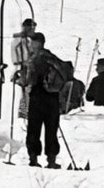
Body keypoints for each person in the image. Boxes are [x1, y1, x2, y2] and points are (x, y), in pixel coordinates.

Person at [24, 33, 64, 169]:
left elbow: (30, 80)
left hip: (37, 98)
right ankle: (51, 160)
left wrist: (20, 80)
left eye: (31, 42)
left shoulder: (34, 59)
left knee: (34, 129)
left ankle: (33, 158)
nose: (30, 45)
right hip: (53, 99)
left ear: (37, 43)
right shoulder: (51, 57)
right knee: (51, 129)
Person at [12, 19, 37, 119]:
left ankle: (30, 111)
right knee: (26, 89)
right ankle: (25, 112)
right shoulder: (19, 40)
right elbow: (15, 54)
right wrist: (20, 63)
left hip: (32, 67)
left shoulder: (31, 40)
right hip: (24, 68)